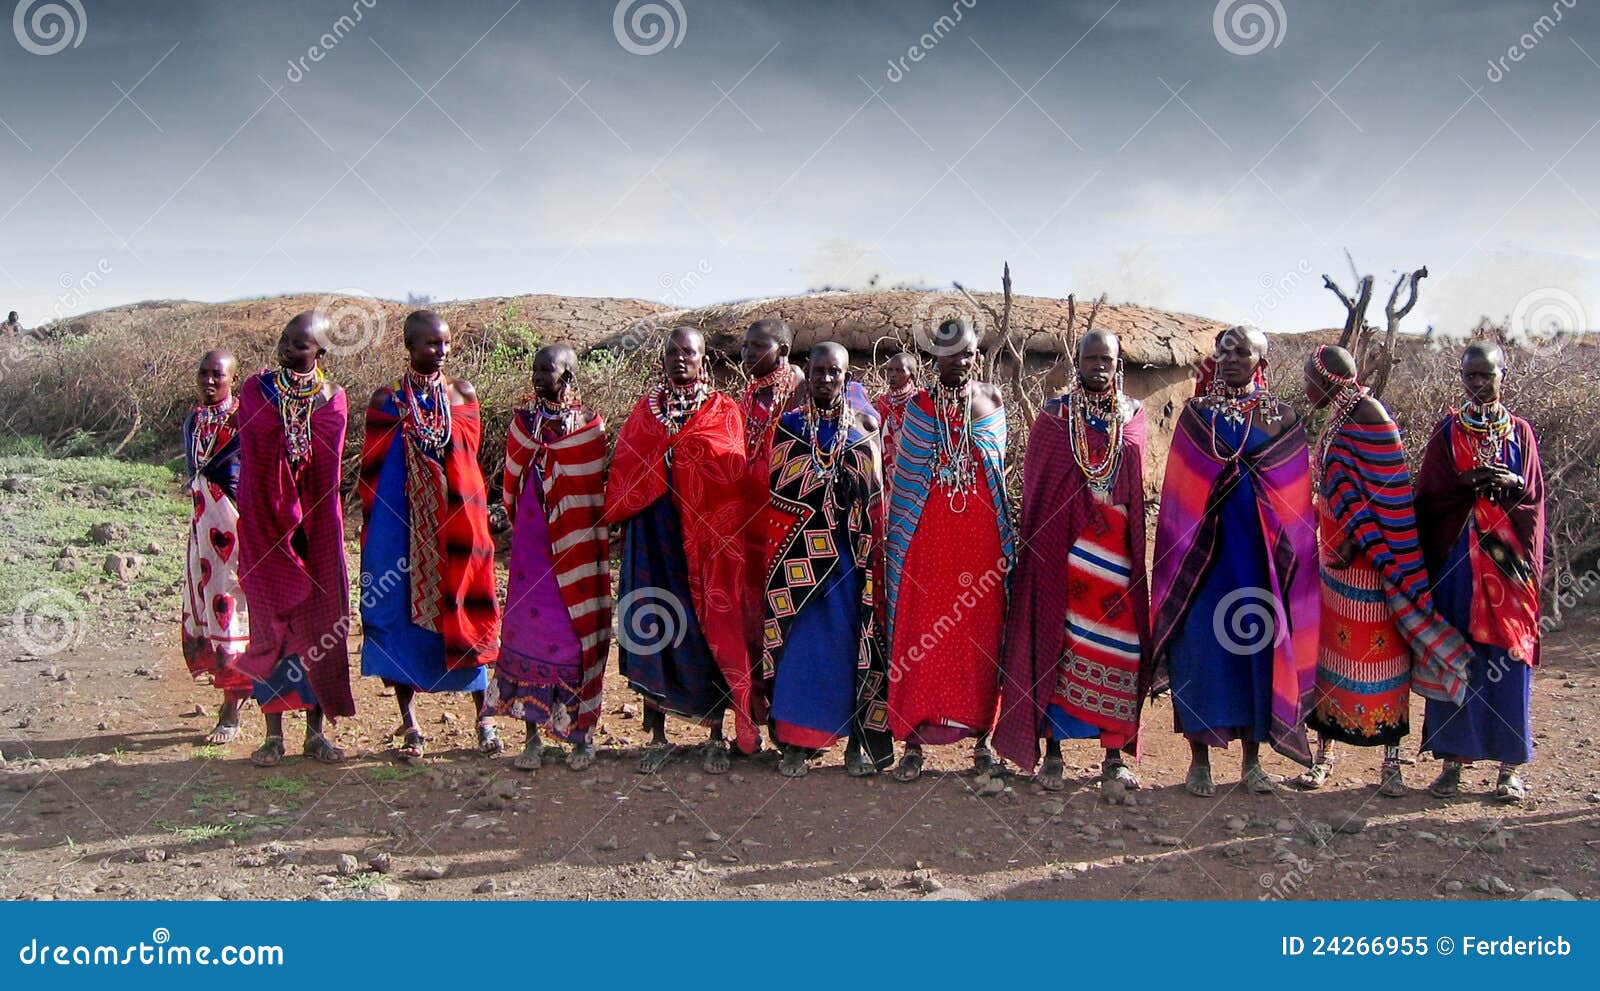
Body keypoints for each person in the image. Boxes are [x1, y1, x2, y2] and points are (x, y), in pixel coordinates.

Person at [1150, 325, 1318, 796]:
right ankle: (1198, 761)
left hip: (1259, 564)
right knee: (1200, 652)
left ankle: (1252, 762)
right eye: (1223, 351)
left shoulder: (1282, 420)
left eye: (1241, 352)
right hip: (1201, 562)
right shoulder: (1196, 416)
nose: (1229, 359)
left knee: (1254, 655)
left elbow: (1296, 504)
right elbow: (1178, 499)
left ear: (1260, 362)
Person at [1296, 345, 1470, 796]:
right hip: (1335, 563)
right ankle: (1324, 755)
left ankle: (1391, 764)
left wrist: (1357, 538)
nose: (1304, 389)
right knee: (1331, 659)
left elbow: (1389, 487)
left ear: (1327, 379)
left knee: (1385, 658)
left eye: (1308, 380)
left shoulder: (1370, 414)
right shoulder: (1337, 417)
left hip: (1373, 564)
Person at [995, 329, 1151, 791]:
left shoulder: (1135, 416)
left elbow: (1135, 485)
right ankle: (1055, 753)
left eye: (1107, 359)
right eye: (1090, 358)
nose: (1099, 366)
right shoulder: (1053, 417)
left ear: (1118, 363)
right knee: (1057, 648)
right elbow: (1041, 496)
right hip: (1062, 558)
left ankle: (1114, 755)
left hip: (1116, 561)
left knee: (1122, 653)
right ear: (1076, 361)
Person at [605, 327, 761, 774]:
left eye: (688, 353)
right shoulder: (646, 411)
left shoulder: (722, 409)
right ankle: (656, 733)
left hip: (707, 542)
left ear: (703, 360)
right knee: (651, 623)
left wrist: (688, 461)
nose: (679, 360)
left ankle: (714, 730)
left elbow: (732, 470)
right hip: (653, 538)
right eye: (672, 353)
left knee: (704, 627)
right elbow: (626, 469)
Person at [357, 311, 502, 760]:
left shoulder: (462, 394)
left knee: (466, 606)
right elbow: (373, 472)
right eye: (430, 344)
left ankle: (485, 719)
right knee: (400, 611)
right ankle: (410, 723)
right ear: (409, 345)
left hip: (457, 523)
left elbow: (468, 458)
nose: (440, 352)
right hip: (400, 527)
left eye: (445, 344)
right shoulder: (387, 402)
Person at [884, 318, 1013, 782]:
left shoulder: (993, 401)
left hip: (981, 544)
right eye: (952, 352)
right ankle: (915, 741)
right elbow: (906, 483)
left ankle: (983, 737)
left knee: (981, 635)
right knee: (923, 633)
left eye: (969, 352)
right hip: (929, 543)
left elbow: (998, 477)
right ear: (934, 357)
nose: (962, 360)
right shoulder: (918, 409)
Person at [1417, 343, 1545, 803]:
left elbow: (1533, 498)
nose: (1477, 384)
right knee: (1457, 656)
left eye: (1485, 375)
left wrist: (1511, 485)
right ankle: (1453, 763)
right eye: (1469, 376)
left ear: (1502, 376)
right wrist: (1462, 484)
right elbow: (1428, 496)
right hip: (1456, 563)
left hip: (1507, 564)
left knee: (1509, 653)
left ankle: (1509, 767)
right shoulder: (1448, 433)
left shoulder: (1521, 434)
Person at [762, 342, 889, 777]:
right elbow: (778, 493)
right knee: (800, 648)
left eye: (834, 372)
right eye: (818, 371)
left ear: (846, 376)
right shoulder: (791, 426)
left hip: (850, 559)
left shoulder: (866, 427)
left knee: (850, 646)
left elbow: (875, 500)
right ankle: (797, 743)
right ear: (807, 373)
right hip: (798, 559)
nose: (826, 379)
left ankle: (855, 742)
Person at [234, 311, 354, 767]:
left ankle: (315, 733)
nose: (288, 348)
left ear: (320, 351)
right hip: (267, 529)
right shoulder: (256, 390)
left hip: (317, 530)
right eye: (285, 340)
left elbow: (326, 470)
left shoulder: (334, 399)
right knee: (271, 627)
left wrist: (304, 512)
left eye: (300, 344)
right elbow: (257, 456)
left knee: (320, 625)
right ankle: (271, 734)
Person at [497, 344, 612, 771]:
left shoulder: (588, 429)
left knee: (575, 639)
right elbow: (511, 484)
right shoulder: (522, 425)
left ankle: (580, 734)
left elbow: (591, 497)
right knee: (527, 633)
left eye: (549, 370)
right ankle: (532, 737)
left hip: (577, 552)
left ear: (568, 377)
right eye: (536, 369)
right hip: (532, 551)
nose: (539, 376)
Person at [180, 349, 252, 745]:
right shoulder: (192, 420)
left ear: (232, 379)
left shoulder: (245, 419)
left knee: (231, 610)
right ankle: (233, 693)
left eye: (217, 375)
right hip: (202, 532)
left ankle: (231, 708)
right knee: (207, 606)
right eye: (203, 373)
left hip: (237, 531)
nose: (209, 381)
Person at [739, 318, 805, 678]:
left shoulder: (798, 386)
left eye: (757, 346)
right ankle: (757, 695)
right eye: (746, 346)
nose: (748, 353)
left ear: (783, 349)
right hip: (749, 514)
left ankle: (786, 694)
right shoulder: (750, 394)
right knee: (753, 604)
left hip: (786, 511)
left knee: (784, 600)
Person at [872, 351, 920, 476]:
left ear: (912, 376)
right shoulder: (882, 402)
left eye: (900, 371)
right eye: (890, 370)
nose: (892, 375)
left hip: (915, 470)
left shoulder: (921, 403)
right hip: (886, 470)